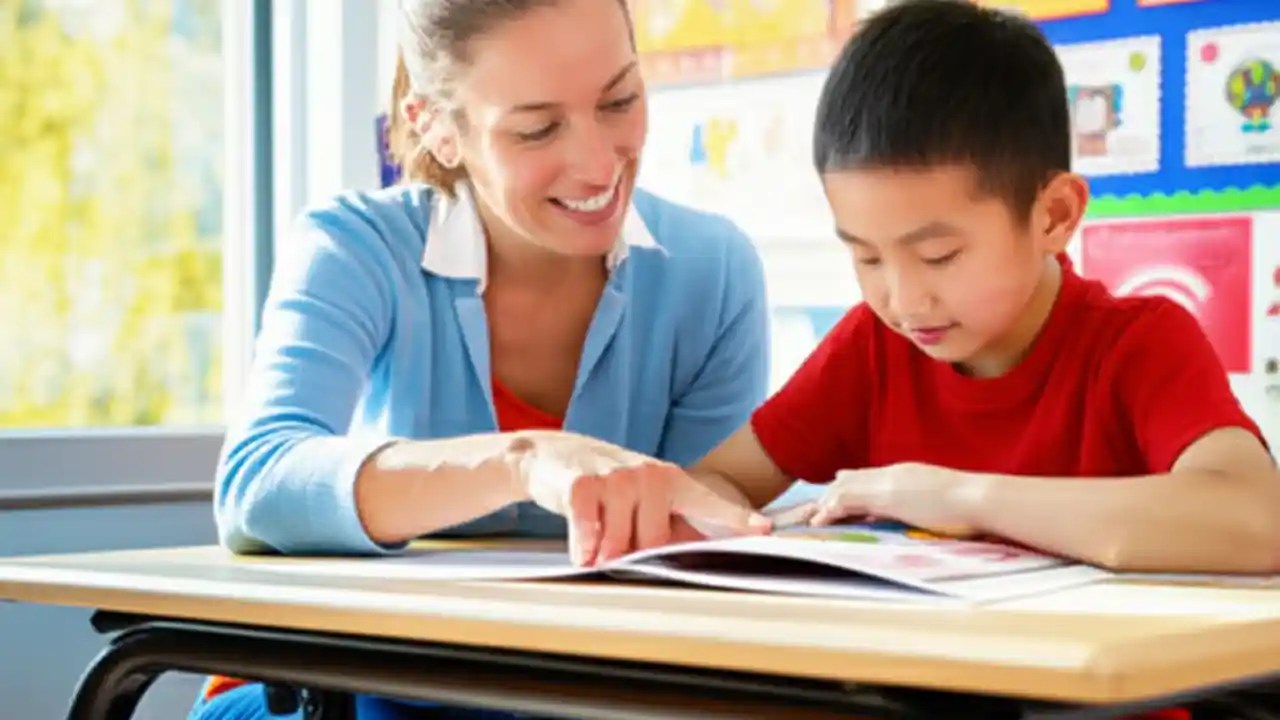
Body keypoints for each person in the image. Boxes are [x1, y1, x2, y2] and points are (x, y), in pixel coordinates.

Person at [191, 0, 772, 717]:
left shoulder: (711, 271)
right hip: (344, 683)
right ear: (436, 124)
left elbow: (697, 557)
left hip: (576, 693)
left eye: (620, 99)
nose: (598, 163)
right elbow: (257, 484)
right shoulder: (356, 248)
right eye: (537, 128)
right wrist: (525, 460)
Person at [567, 0, 1280, 576]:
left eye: (938, 256)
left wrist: (959, 497)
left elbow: (1256, 520)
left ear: (1054, 215)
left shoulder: (1138, 343)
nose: (904, 302)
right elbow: (719, 485)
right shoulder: (871, 348)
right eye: (867, 259)